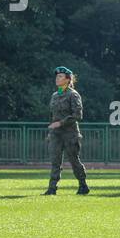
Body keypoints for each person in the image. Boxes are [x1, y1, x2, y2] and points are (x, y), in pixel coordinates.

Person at [44, 67, 88, 195]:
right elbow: (52, 116)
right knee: (55, 161)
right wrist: (50, 130)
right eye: (57, 76)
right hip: (56, 134)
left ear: (68, 80)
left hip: (70, 133)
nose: (57, 78)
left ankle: (83, 185)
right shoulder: (55, 95)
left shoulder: (73, 95)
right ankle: (52, 188)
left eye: (60, 76)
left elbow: (78, 115)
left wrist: (61, 123)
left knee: (74, 160)